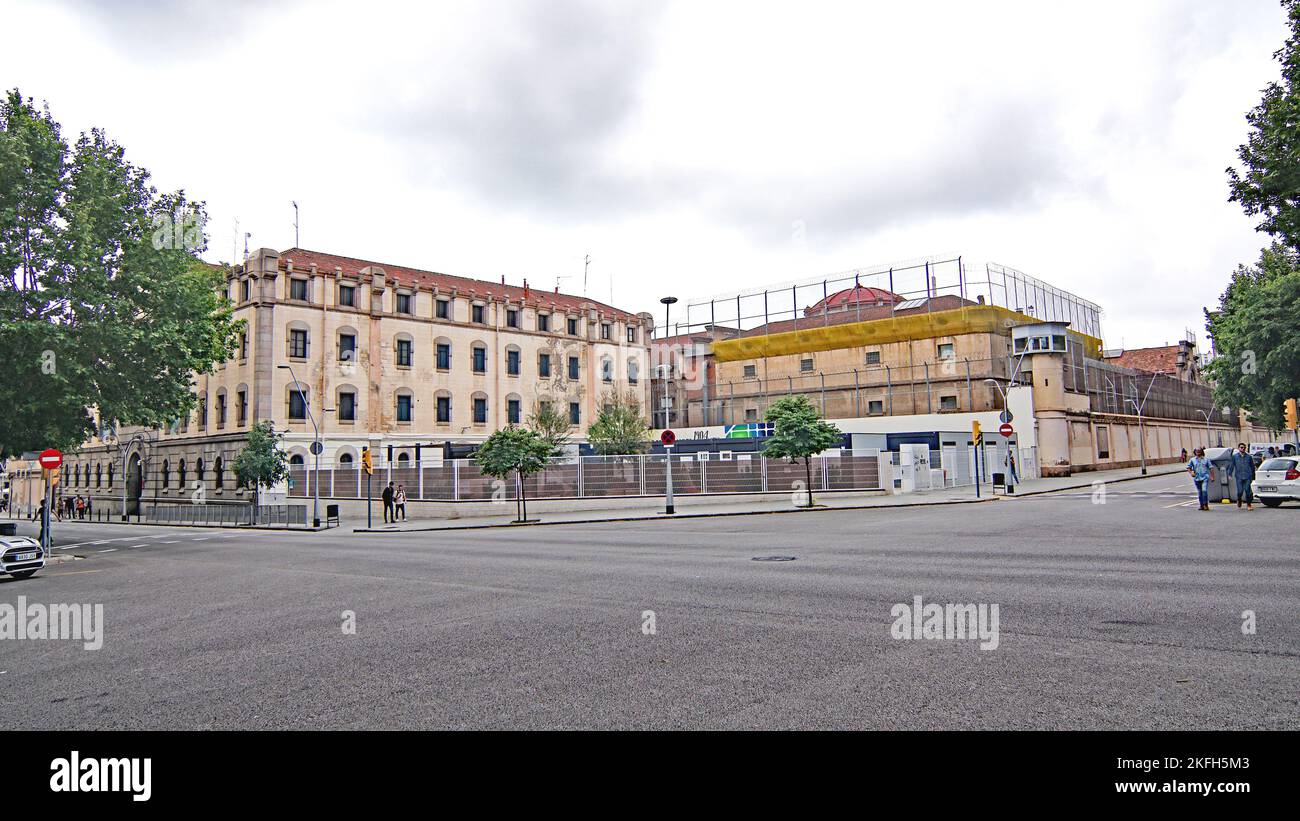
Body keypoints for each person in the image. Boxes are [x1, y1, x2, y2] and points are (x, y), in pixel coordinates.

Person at [1228, 442, 1256, 511]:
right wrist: (1230, 474)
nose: (1243, 449)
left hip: (1247, 476)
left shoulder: (1249, 457)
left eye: (1244, 447)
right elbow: (1231, 466)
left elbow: (1252, 467)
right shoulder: (1235, 456)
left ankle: (1249, 505)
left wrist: (1253, 477)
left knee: (1248, 491)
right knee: (1240, 491)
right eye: (1241, 447)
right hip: (1239, 476)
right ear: (1238, 448)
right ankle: (1239, 499)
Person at [1186, 447, 1213, 511]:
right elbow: (1188, 467)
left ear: (1201, 452)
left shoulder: (1206, 459)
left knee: (1204, 491)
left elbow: (1211, 468)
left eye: (1199, 451)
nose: (1198, 452)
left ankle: (1206, 505)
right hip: (1197, 478)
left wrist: (1212, 476)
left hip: (1205, 477)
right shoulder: (1192, 460)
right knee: (1200, 492)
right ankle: (1201, 505)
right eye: (1196, 451)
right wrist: (1191, 472)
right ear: (1195, 452)